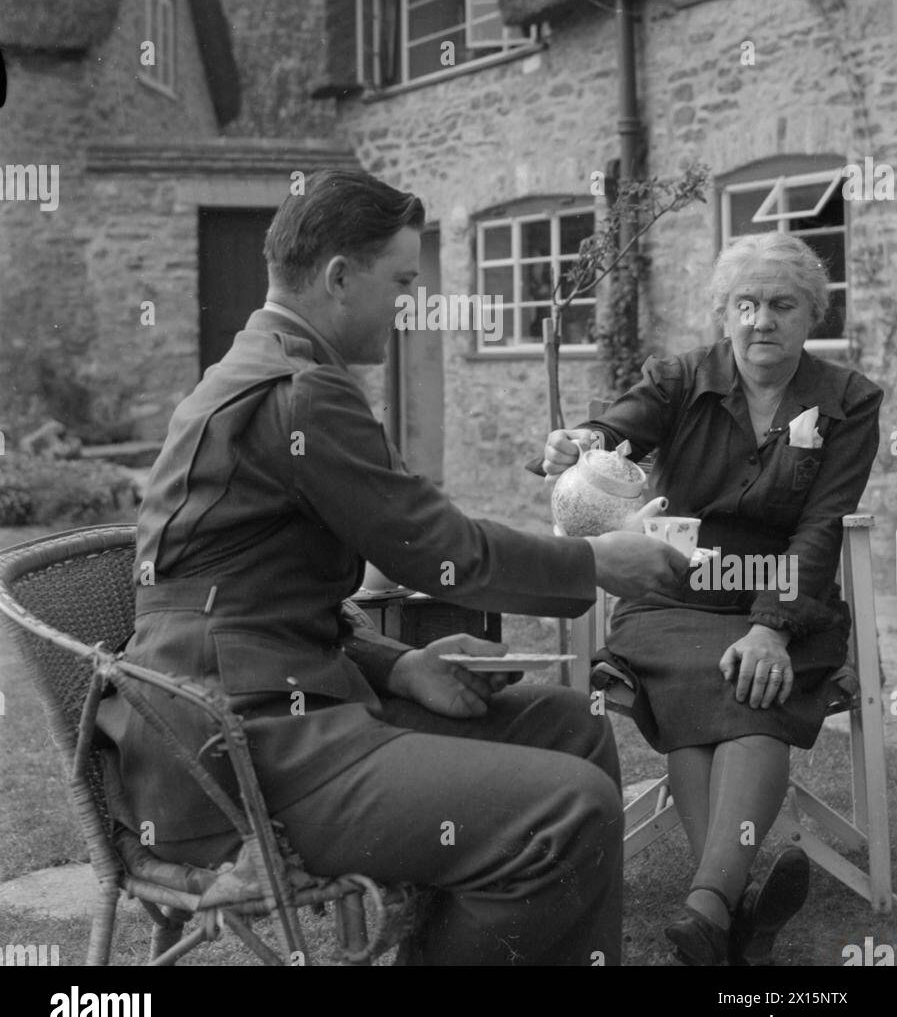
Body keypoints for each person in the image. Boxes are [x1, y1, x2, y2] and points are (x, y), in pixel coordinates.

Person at [95, 167, 689, 967]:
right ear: (339, 277)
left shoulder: (256, 369)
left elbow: (261, 602)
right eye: (401, 283)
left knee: (570, 726)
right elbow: (441, 552)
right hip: (233, 757)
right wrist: (595, 562)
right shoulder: (298, 394)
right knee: (567, 808)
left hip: (262, 711)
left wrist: (402, 664)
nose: (409, 306)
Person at [541, 232, 883, 966]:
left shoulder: (847, 400)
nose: (762, 320)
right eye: (745, 304)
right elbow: (615, 433)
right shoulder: (678, 377)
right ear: (723, 312)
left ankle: (711, 914)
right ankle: (721, 909)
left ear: (811, 314)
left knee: (750, 679)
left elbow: (821, 528)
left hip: (787, 596)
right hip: (670, 596)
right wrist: (581, 440)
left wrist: (771, 629)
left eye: (781, 305)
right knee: (720, 686)